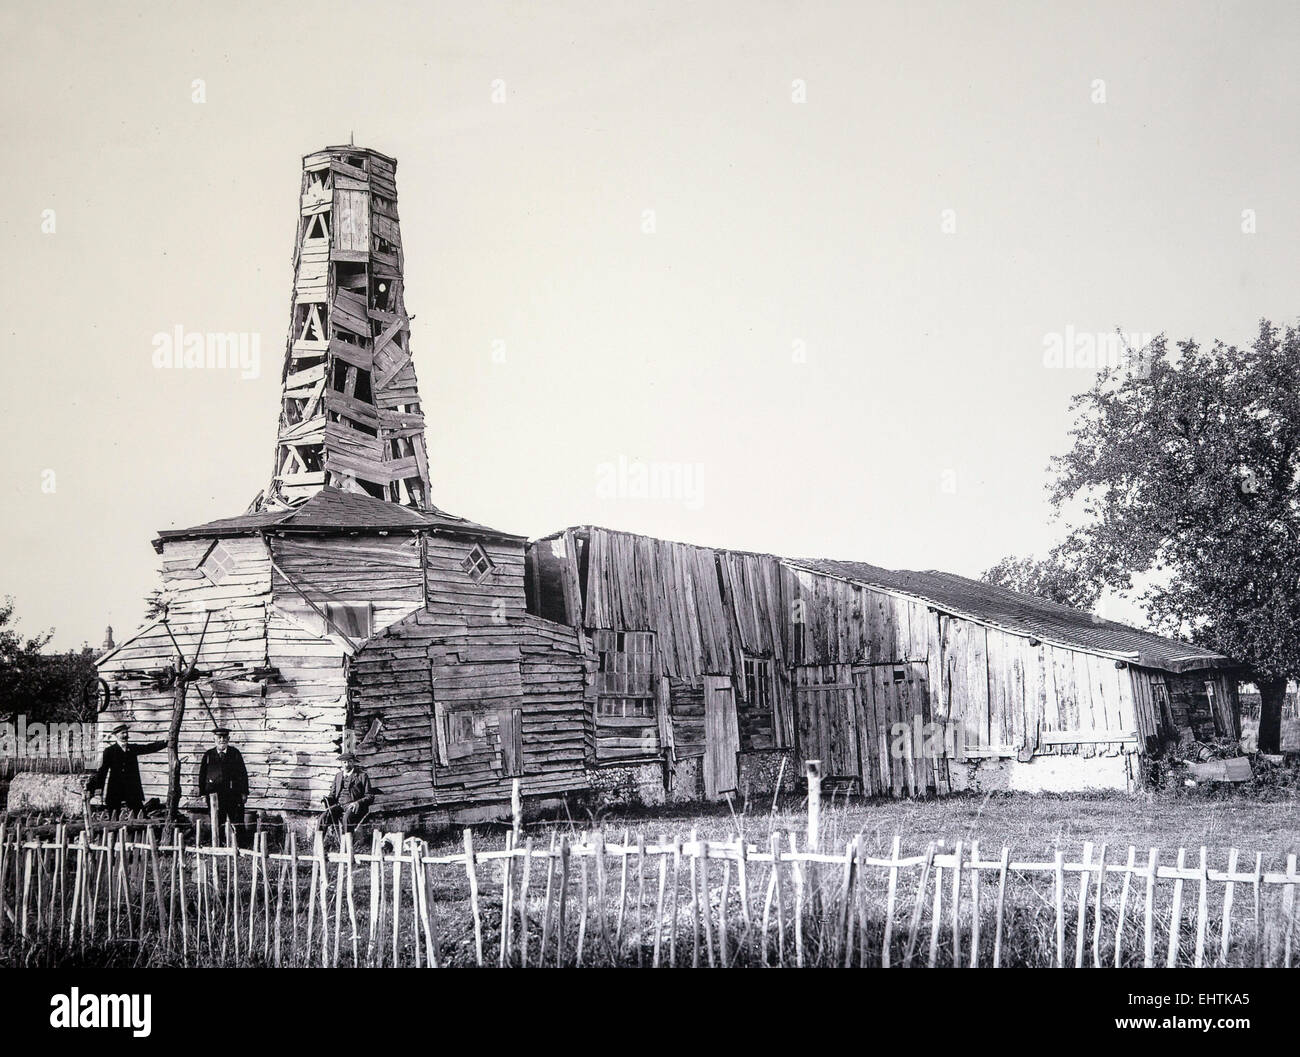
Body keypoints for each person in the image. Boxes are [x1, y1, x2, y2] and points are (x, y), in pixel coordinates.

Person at [86, 724, 169, 816]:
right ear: (116, 735)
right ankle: (114, 829)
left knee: (139, 812)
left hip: (132, 787)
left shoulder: (132, 748)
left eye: (126, 733)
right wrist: (99, 789)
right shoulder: (109, 751)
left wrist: (164, 742)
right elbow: (103, 771)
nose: (125, 735)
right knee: (114, 813)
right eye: (123, 733)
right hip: (115, 787)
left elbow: (148, 748)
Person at [198, 727, 249, 843]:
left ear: (228, 739)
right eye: (219, 737)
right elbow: (202, 775)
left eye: (224, 737)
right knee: (217, 819)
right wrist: (202, 793)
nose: (222, 740)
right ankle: (218, 843)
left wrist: (244, 792)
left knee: (237, 819)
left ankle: (240, 845)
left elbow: (243, 774)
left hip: (233, 794)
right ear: (214, 739)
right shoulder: (208, 755)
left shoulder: (235, 753)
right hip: (214, 795)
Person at [318, 753, 373, 835]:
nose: (346, 765)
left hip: (353, 806)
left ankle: (347, 845)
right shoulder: (338, 776)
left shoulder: (362, 776)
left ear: (353, 762)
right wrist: (326, 799)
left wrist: (357, 803)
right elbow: (332, 795)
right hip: (339, 805)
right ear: (341, 763)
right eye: (344, 762)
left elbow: (370, 796)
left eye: (349, 762)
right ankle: (318, 845)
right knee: (323, 817)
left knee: (346, 818)